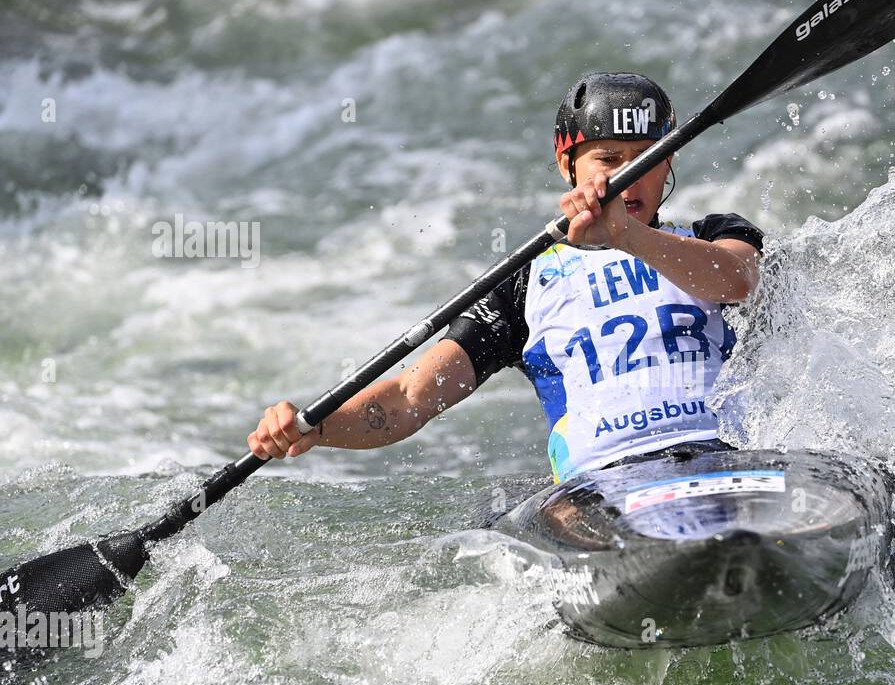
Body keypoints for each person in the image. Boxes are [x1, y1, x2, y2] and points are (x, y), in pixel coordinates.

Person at [247, 71, 764, 484]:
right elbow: (412, 398)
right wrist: (317, 427)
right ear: (568, 165)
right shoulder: (523, 283)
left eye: (645, 158)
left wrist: (627, 236)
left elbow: (739, 280)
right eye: (607, 159)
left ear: (668, 160)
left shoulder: (716, 234)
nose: (626, 175)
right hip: (605, 488)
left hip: (726, 462)